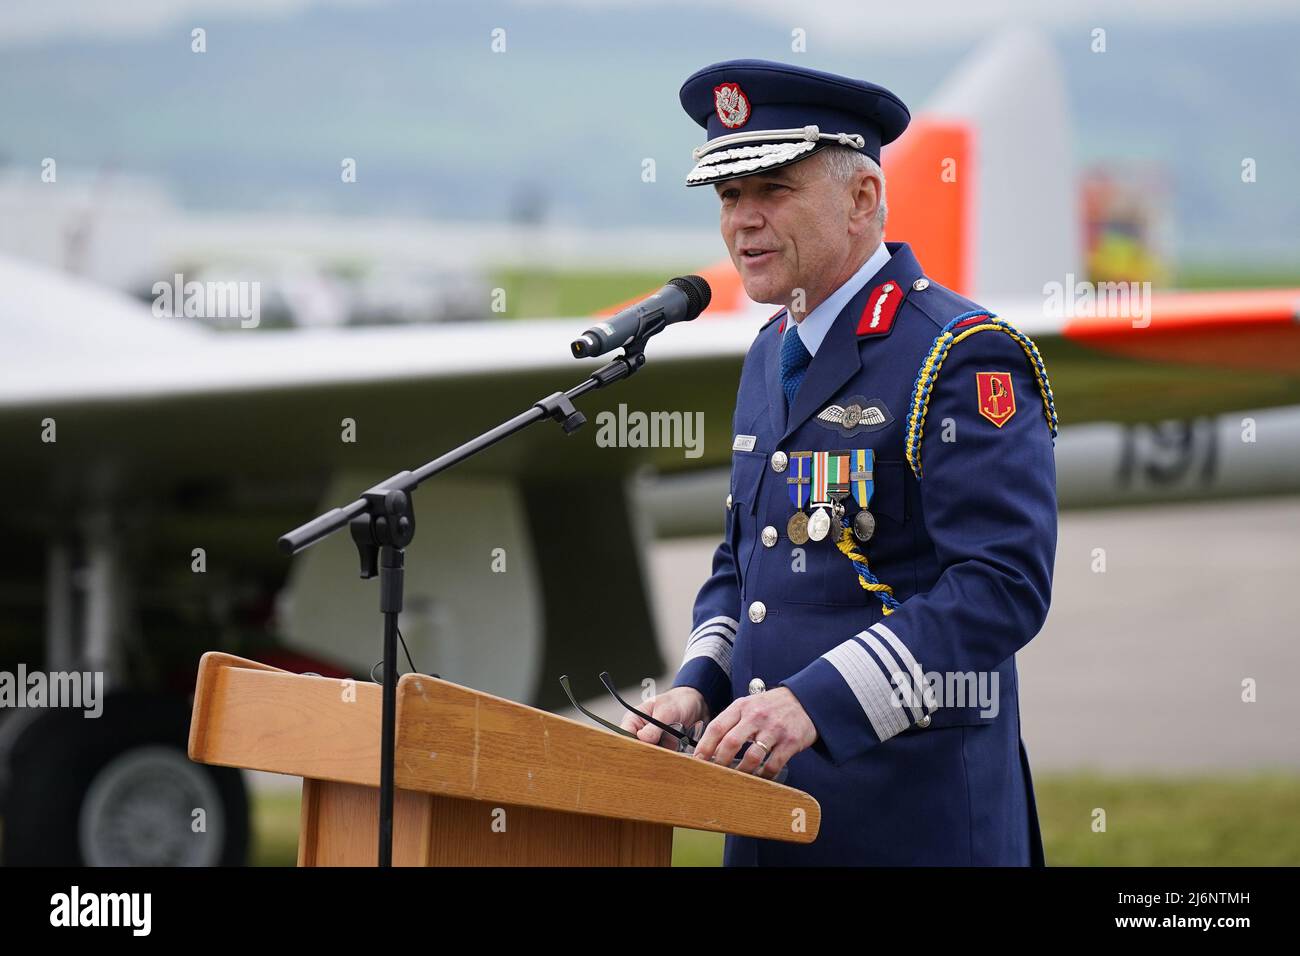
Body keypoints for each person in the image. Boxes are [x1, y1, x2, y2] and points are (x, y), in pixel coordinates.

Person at [620, 59, 1059, 866]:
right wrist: (697, 684)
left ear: (862, 199)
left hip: (912, 820)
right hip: (763, 816)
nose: (743, 222)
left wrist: (812, 704)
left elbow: (1001, 586)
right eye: (728, 197)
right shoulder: (770, 353)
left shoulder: (960, 356)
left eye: (773, 190)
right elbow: (743, 565)